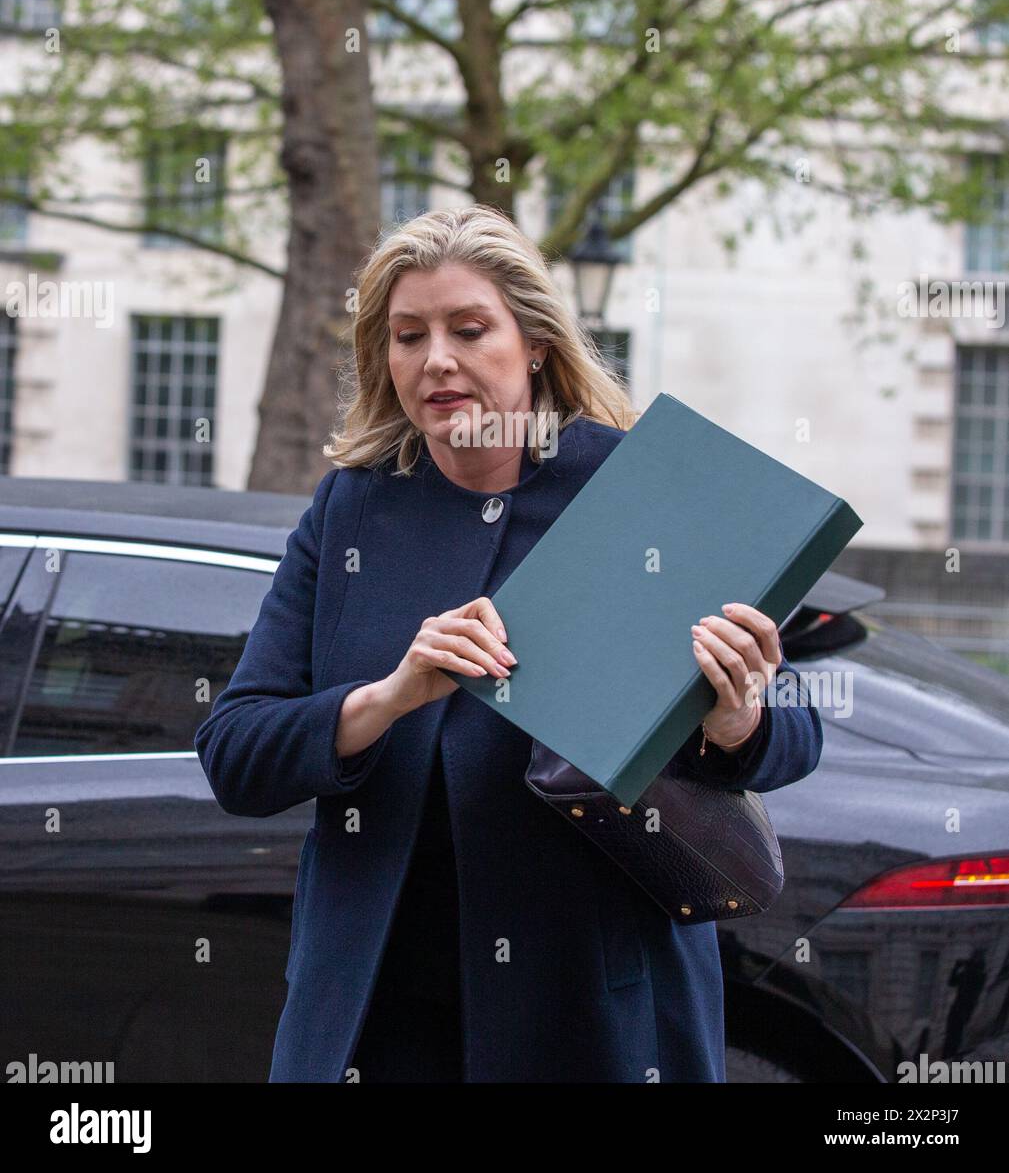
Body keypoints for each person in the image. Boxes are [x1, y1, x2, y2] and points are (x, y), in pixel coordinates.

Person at [194, 203, 822, 1083]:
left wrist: (733, 716)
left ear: (532, 341)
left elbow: (792, 734)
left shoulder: (639, 489)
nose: (435, 359)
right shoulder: (352, 508)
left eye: (468, 328)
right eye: (406, 335)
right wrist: (387, 698)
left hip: (591, 1009)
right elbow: (235, 754)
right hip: (374, 1010)